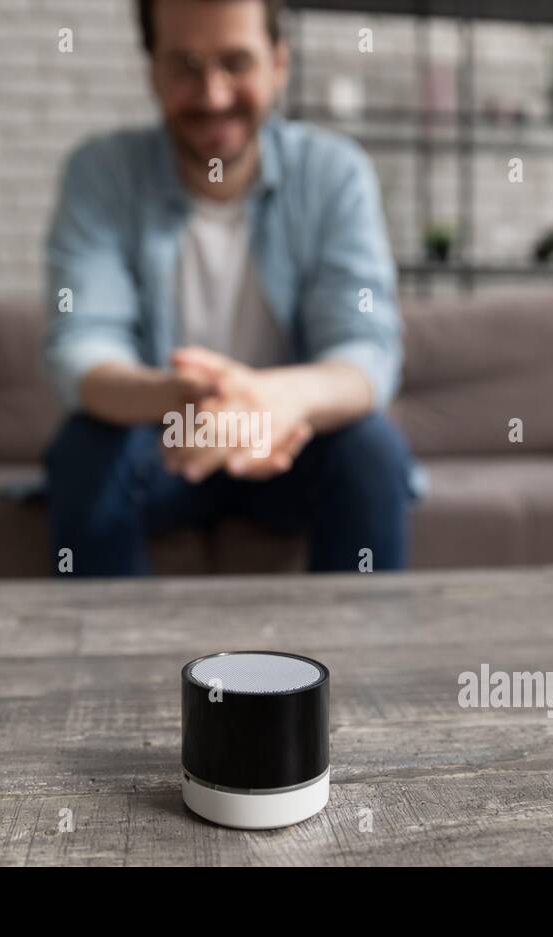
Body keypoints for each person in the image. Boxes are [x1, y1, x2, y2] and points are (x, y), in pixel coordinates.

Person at [43, 0, 412, 576]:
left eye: (236, 63)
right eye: (185, 66)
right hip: (163, 435)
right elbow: (82, 346)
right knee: (84, 450)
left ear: (278, 63)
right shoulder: (100, 173)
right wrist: (194, 397)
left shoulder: (335, 172)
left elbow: (366, 349)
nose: (213, 96)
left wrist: (270, 401)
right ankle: (100, 641)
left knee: (373, 452)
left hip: (293, 438)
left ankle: (359, 638)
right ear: (153, 71)